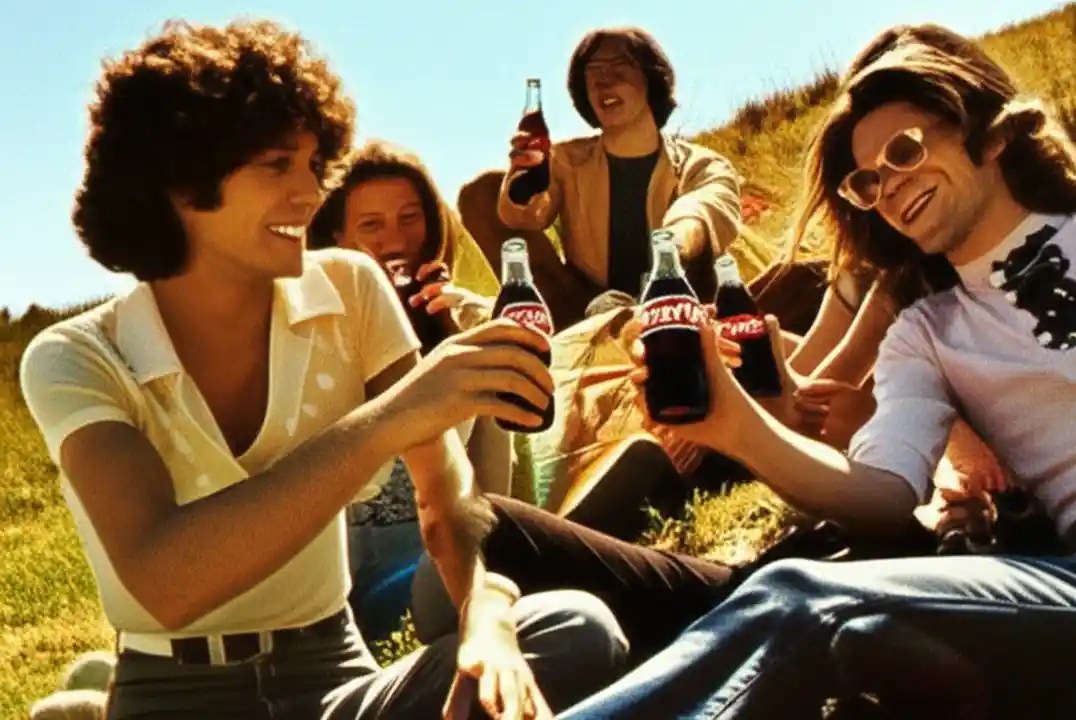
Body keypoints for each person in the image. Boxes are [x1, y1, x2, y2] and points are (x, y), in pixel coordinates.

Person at [557, 23, 1076, 719]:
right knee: (797, 593)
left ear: (988, 134)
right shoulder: (928, 333)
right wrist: (735, 426)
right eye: (868, 183)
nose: (890, 187)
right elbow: (880, 493)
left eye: (904, 151)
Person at [19, 19, 626, 719]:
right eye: (279, 166)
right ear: (179, 183)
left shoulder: (350, 290)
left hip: (333, 674)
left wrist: (483, 605)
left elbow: (446, 491)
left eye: (314, 164)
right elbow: (164, 579)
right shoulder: (78, 356)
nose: (311, 194)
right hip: (173, 695)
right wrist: (385, 421)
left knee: (576, 629)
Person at [308, 139, 521, 641]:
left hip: (443, 564)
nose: (395, 240)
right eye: (371, 226)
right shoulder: (314, 336)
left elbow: (495, 492)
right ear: (337, 236)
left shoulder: (458, 333)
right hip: (342, 579)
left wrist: (461, 325)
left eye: (409, 218)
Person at [457, 26, 742, 328]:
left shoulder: (702, 164)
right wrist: (524, 185)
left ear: (651, 77)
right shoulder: (566, 160)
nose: (604, 81)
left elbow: (706, 207)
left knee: (794, 281)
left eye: (620, 67)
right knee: (483, 193)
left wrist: (672, 247)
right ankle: (556, 331)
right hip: (584, 311)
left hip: (682, 308)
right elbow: (530, 215)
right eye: (592, 72)